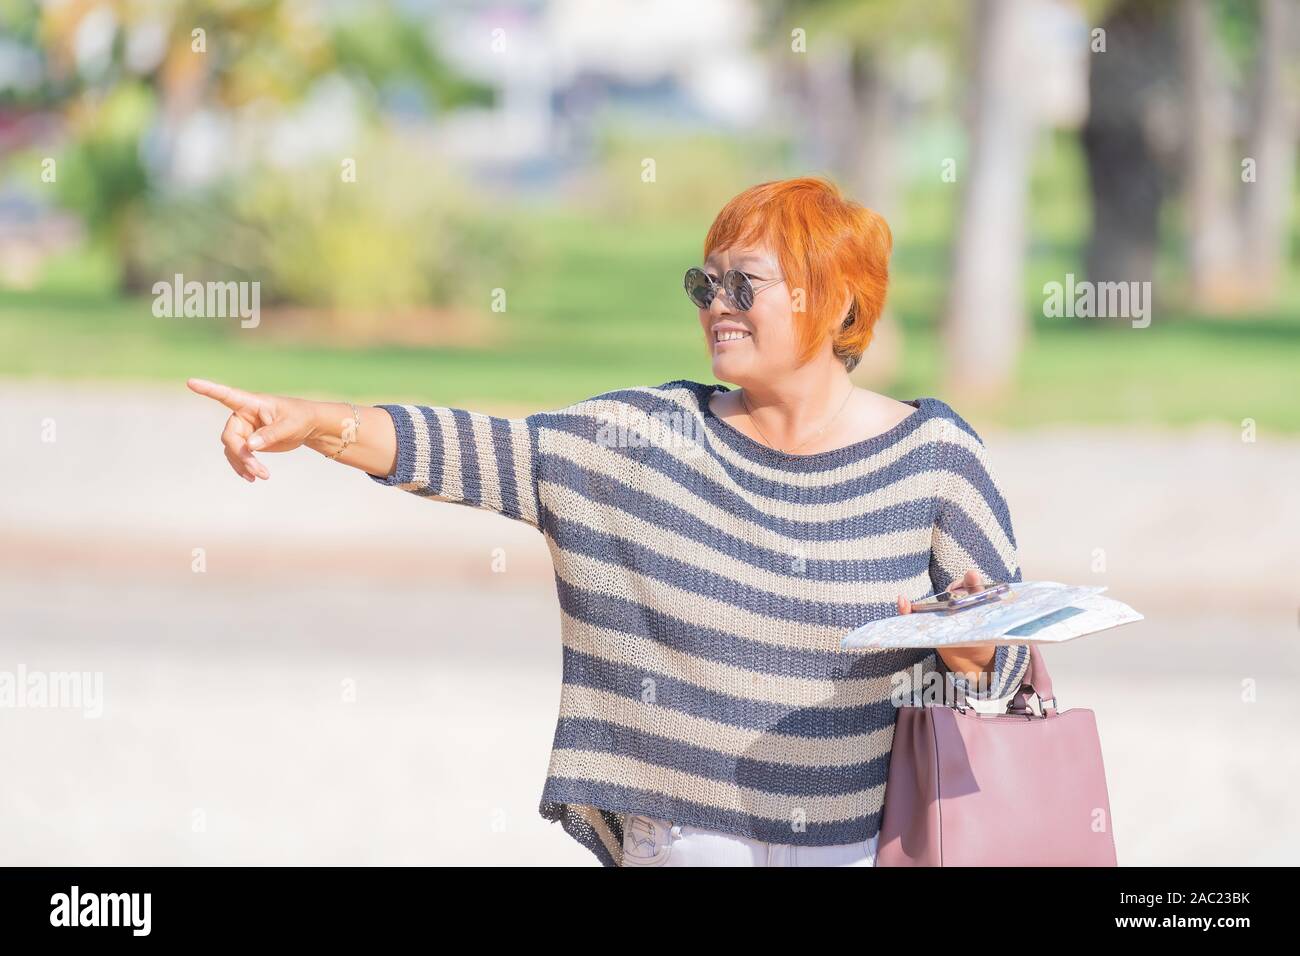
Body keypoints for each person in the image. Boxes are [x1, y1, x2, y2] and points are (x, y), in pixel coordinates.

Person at [187, 176, 1030, 867]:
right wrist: (316, 421)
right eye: (705, 284)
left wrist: (975, 648)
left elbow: (1009, 659)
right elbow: (484, 450)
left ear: (839, 302)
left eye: (746, 284)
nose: (716, 305)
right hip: (686, 838)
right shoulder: (643, 435)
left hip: (855, 840)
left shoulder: (934, 455)